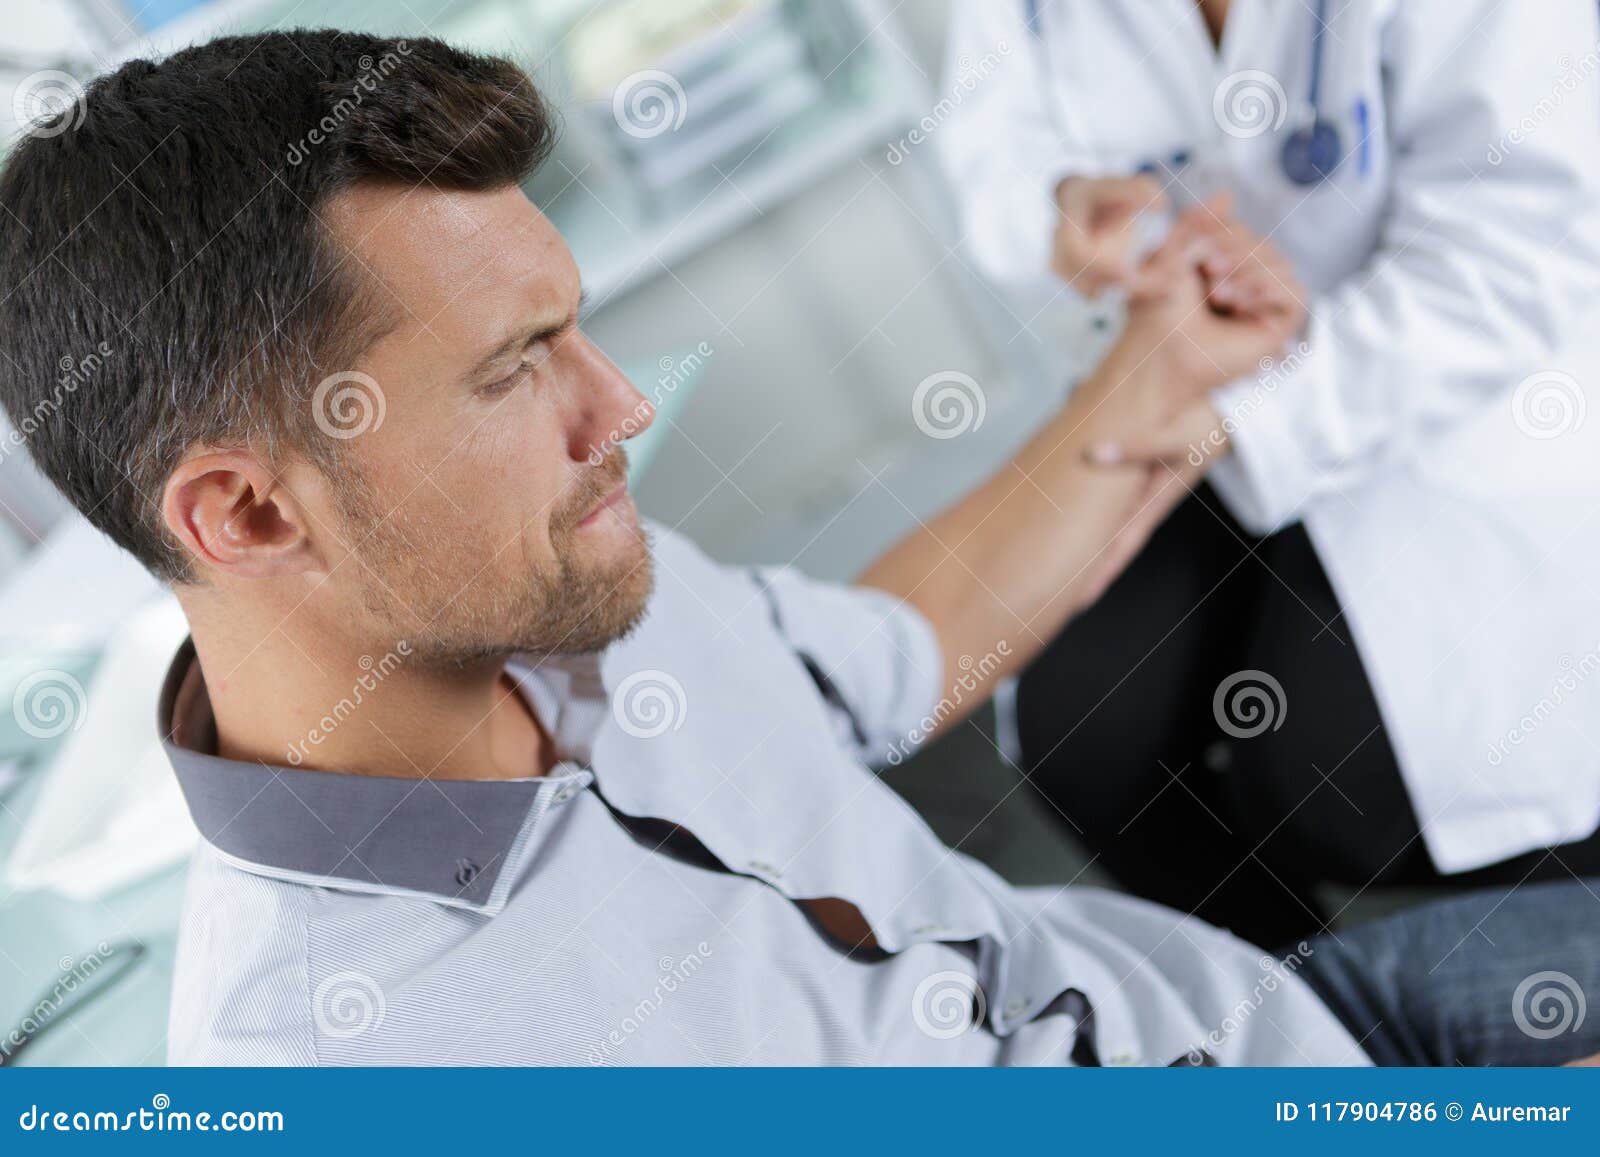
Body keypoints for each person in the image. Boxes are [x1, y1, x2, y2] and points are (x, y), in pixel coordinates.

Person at [2, 30, 1598, 1068]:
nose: (616, 408)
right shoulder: (348, 1063)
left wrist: (1161, 373)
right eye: (513, 370)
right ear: (248, 514)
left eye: (575, 329)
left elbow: (887, 653)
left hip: (1292, 1025)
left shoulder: (566, 597)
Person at [940, 0, 1600, 946]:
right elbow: (992, 150)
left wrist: (1247, 419)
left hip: (1470, 372)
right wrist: (1066, 208)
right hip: (1198, 363)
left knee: (1331, 780)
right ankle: (1303, 1048)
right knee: (1085, 740)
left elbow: (1517, 245)